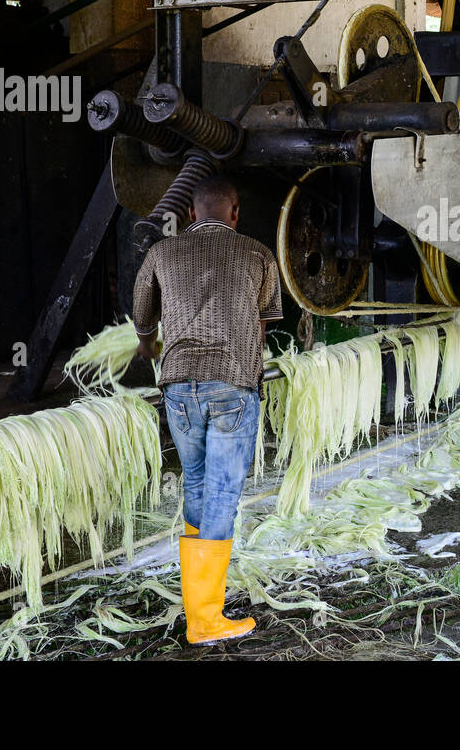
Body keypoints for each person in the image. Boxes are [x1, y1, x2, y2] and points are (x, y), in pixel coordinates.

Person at [133, 175, 283, 646]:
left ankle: (202, 600)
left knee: (197, 485)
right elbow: (261, 326)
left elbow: (142, 311)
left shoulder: (161, 253)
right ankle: (205, 620)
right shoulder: (258, 253)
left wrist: (147, 343)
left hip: (178, 387)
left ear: (192, 214)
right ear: (235, 213)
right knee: (222, 495)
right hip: (232, 385)